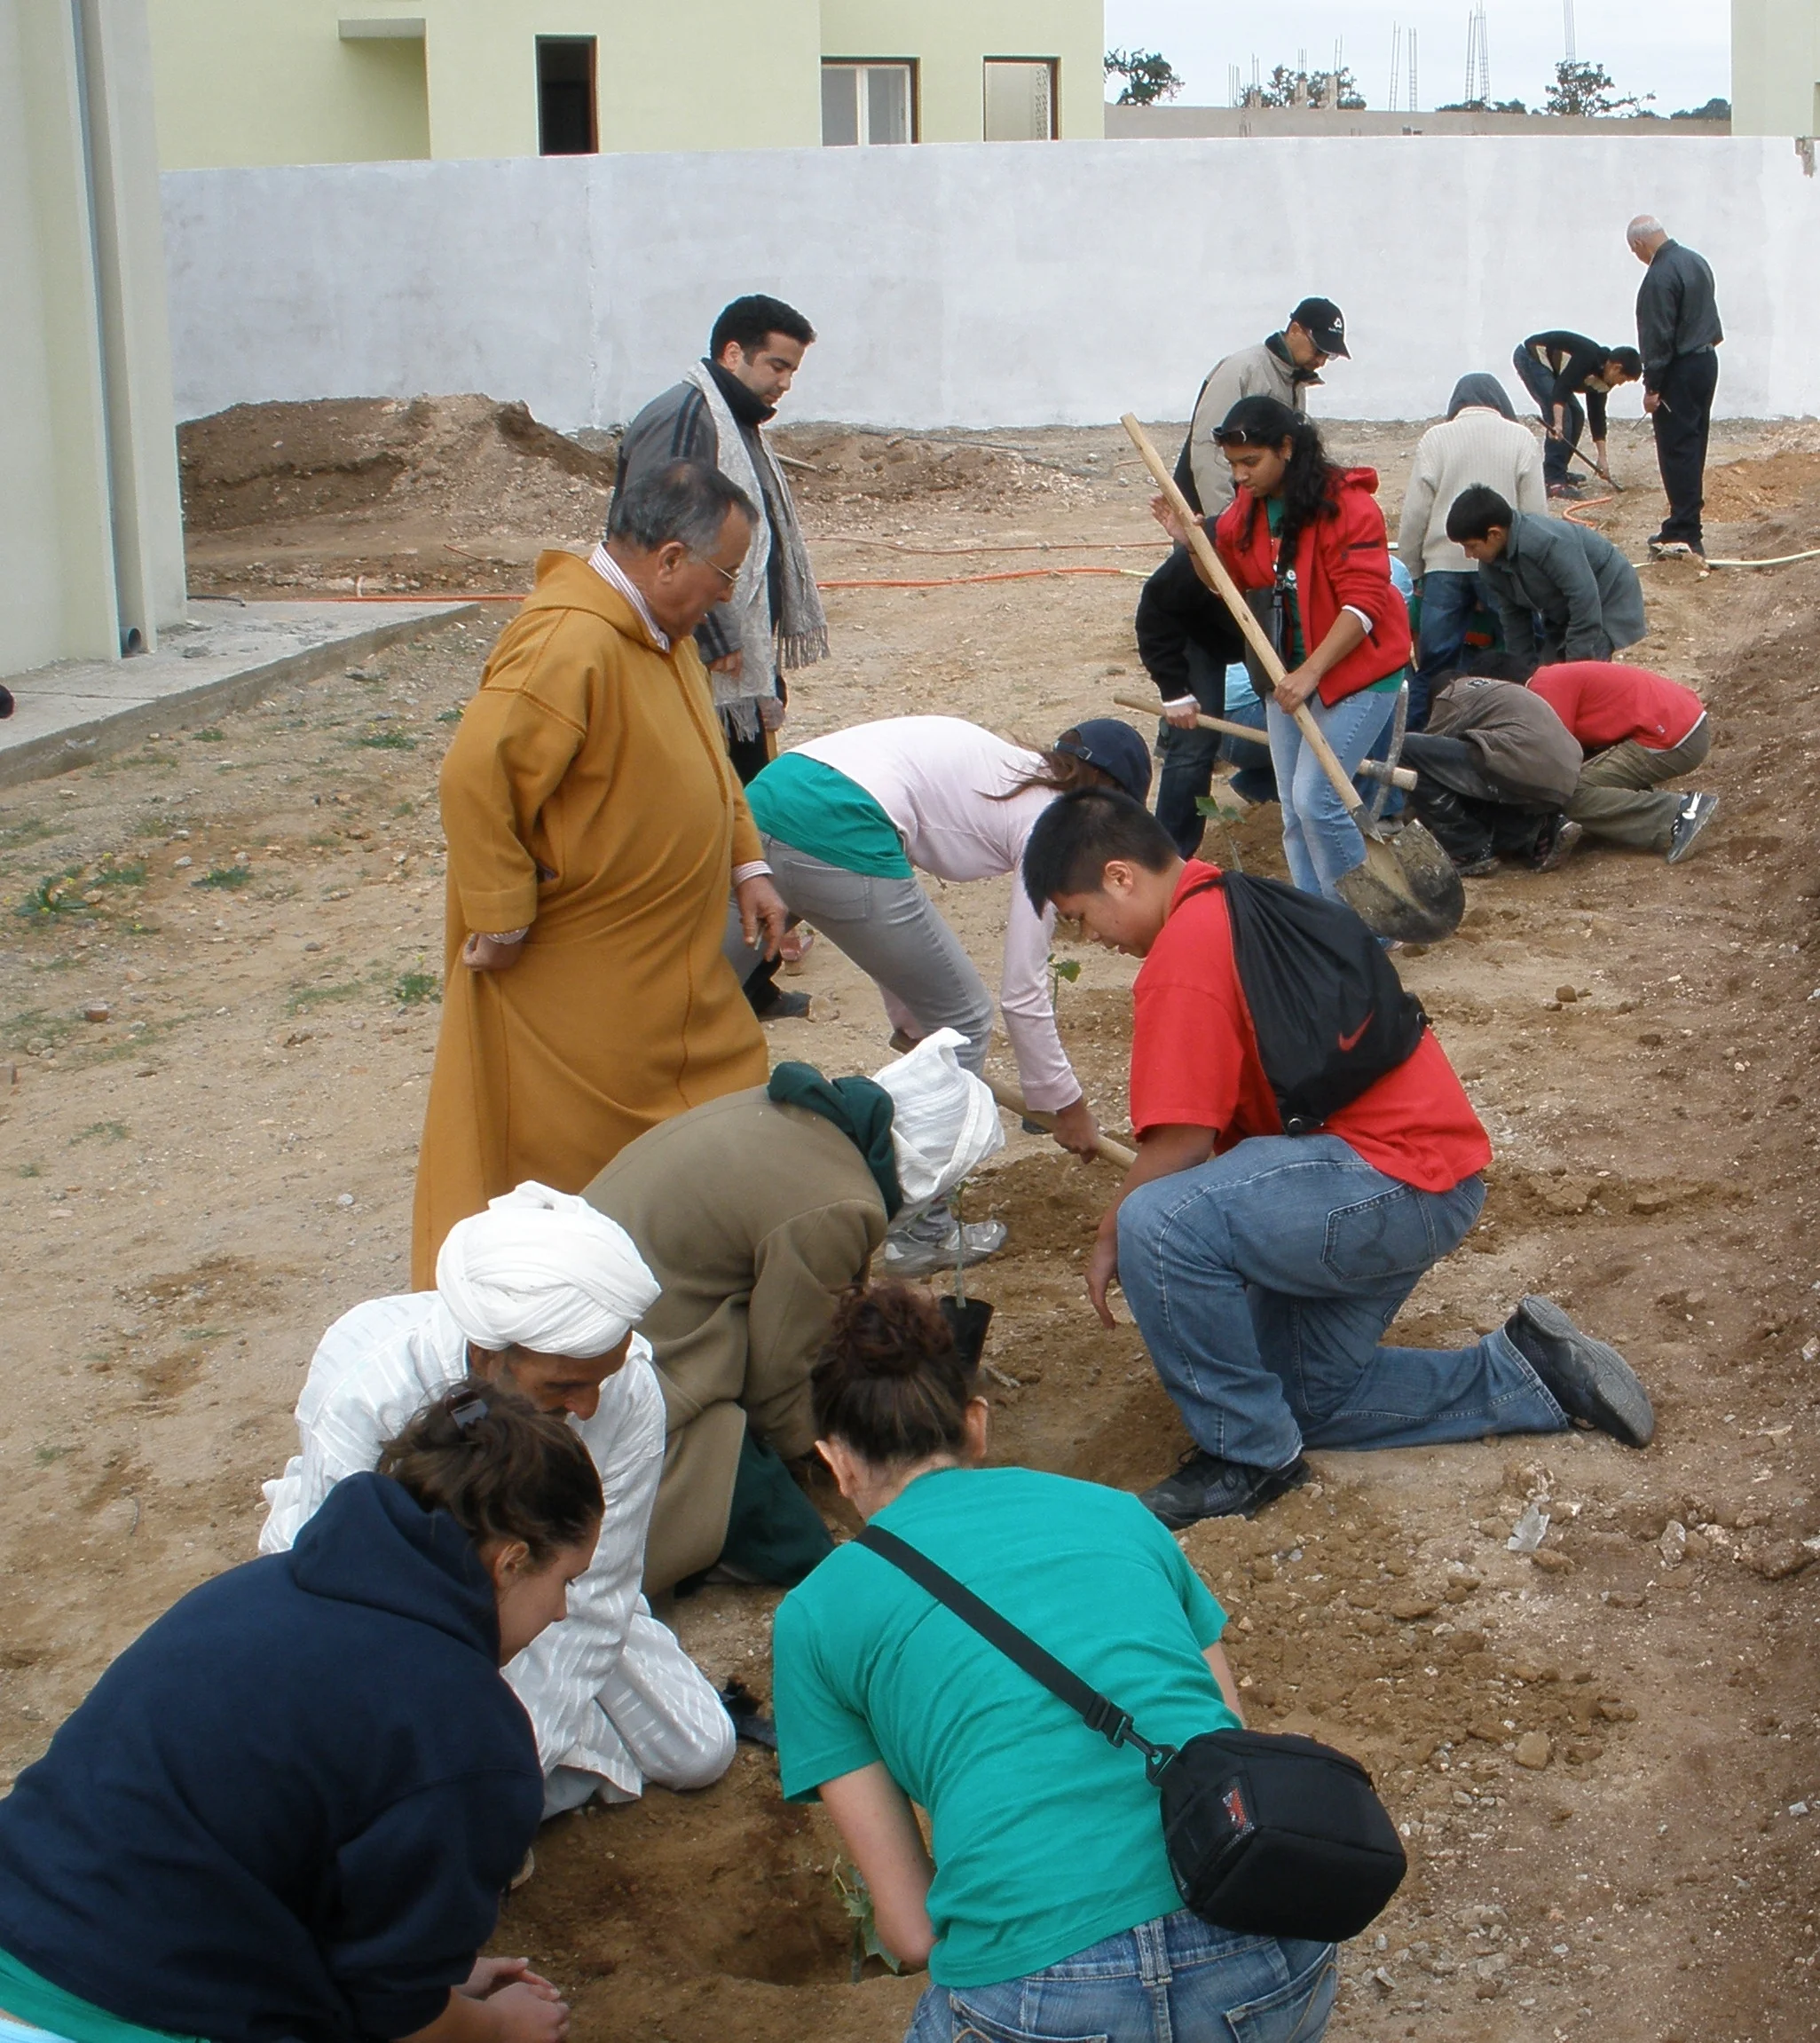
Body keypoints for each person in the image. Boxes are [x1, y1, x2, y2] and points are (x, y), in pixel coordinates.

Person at [1020, 788, 1655, 1526]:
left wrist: (1111, 1236)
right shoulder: (1240, 897)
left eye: (1079, 916)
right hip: (1418, 1177)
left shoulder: (1183, 956)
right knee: (1295, 1402)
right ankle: (1530, 1377)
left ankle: (1246, 1462)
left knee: (1156, 1224)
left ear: (1121, 877)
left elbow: (1182, 1144)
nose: (1089, 938)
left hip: (1382, 1181)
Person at [771, 1282, 1341, 2043]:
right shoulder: (1117, 1515)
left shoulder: (813, 1615)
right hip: (1269, 1958)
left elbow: (910, 1936)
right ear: (975, 1427)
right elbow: (1223, 1745)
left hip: (1045, 2001)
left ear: (834, 1462)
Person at [0, 1384, 598, 2043]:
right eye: (564, 1581)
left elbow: (265, 1847)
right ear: (511, 1561)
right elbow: (399, 2021)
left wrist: (427, 1975)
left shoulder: (252, 1590)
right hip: (130, 2016)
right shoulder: (464, 1729)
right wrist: (491, 2027)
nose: (562, 1611)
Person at [411, 459, 786, 1284]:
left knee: (723, 1098)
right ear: (669, 559)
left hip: (668, 975)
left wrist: (746, 860)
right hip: (579, 985)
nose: (727, 594)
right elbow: (475, 778)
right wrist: (502, 917)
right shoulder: (567, 641)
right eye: (725, 573)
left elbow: (711, 765)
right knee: (570, 1161)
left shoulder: (663, 638)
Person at [264, 1182, 737, 1813]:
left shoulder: (625, 1390)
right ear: (489, 1359)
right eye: (566, 1385)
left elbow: (595, 1595)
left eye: (605, 1375)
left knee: (699, 1750)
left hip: (546, 1587)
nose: (590, 1406)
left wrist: (504, 1767)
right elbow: (348, 1596)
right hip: (399, 1597)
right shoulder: (369, 1382)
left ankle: (532, 1763)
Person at [586, 1029, 1005, 1592]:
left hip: (612, 1317)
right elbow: (780, 1381)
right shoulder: (838, 1204)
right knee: (800, 1548)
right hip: (622, 1380)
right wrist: (830, 1459)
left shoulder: (799, 1116)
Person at [740, 714, 1149, 1271]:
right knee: (964, 1016)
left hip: (763, 802)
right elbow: (1022, 993)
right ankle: (924, 1233)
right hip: (836, 822)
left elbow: (887, 923)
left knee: (696, 999)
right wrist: (1066, 1106)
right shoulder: (1049, 826)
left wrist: (912, 1025)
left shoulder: (1005, 771)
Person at [614, 295, 828, 1020]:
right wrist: (711, 640)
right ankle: (717, 984)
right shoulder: (683, 418)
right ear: (730, 354)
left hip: (742, 665)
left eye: (792, 371)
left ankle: (745, 980)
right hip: (711, 664)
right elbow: (650, 537)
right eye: (776, 365)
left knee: (745, 812)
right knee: (714, 818)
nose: (783, 384)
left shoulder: (734, 423)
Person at [1156, 395, 1411, 908]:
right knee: (1295, 811)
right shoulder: (1245, 512)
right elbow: (1226, 582)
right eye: (1233, 465)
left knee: (1319, 801)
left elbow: (1364, 604)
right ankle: (1316, 918)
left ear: (1287, 448)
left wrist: (1311, 674)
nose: (1241, 476)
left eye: (1251, 463)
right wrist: (1193, 546)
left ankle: (1362, 927)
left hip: (1359, 673)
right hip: (1284, 672)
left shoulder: (1349, 506)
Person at [1398, 374, 1548, 714]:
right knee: (1518, 659)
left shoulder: (1435, 439)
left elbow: (1415, 514)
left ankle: (1419, 741)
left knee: (1435, 666)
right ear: (1500, 404)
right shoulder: (1521, 438)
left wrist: (1413, 573)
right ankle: (1515, 725)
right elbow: (1536, 514)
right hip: (1501, 566)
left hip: (1443, 566)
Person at [1401, 651, 1583, 876]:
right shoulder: (1497, 693)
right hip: (1564, 776)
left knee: (1406, 748)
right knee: (1478, 783)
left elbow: (1426, 764)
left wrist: (1406, 818)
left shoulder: (1450, 694)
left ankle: (1466, 846)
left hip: (1521, 762)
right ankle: (1540, 828)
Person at [1173, 296, 1349, 517]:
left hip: (1250, 518)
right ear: (1295, 330)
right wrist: (1223, 524)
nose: (1322, 361)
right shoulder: (1242, 370)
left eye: (1329, 355)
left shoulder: (1294, 380)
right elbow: (1209, 450)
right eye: (1318, 350)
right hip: (1205, 514)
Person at [1526, 658, 1718, 861]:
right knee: (1578, 779)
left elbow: (1553, 764)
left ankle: (1679, 814)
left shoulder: (1544, 688)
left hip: (1675, 736)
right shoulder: (1553, 679)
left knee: (1567, 794)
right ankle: (1639, 806)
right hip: (1680, 724)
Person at [1446, 484, 1645, 673]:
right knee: (1547, 672)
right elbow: (1514, 619)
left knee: (1583, 672)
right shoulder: (1490, 568)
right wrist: (1521, 675)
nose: (1468, 555)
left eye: (1471, 546)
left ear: (1494, 534)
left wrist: (1575, 667)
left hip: (1606, 596)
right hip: (1563, 610)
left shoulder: (1546, 542)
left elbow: (1584, 598)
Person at [1628, 216, 1723, 562]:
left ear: (1639, 245)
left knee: (1677, 448)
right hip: (1706, 361)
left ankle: (1684, 532)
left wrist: (1652, 386)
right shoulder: (1696, 261)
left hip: (1679, 369)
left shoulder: (1659, 276)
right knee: (1695, 442)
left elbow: (1657, 337)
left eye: (1634, 252)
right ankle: (1685, 523)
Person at [1511, 332, 1643, 498]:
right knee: (1563, 414)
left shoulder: (1604, 381)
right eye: (1622, 379)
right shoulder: (1587, 357)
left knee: (1578, 414)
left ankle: (1559, 471)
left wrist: (1602, 458)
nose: (1620, 384)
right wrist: (1557, 424)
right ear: (1616, 367)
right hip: (1532, 358)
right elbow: (1562, 389)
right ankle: (1552, 480)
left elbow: (1597, 417)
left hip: (1554, 372)